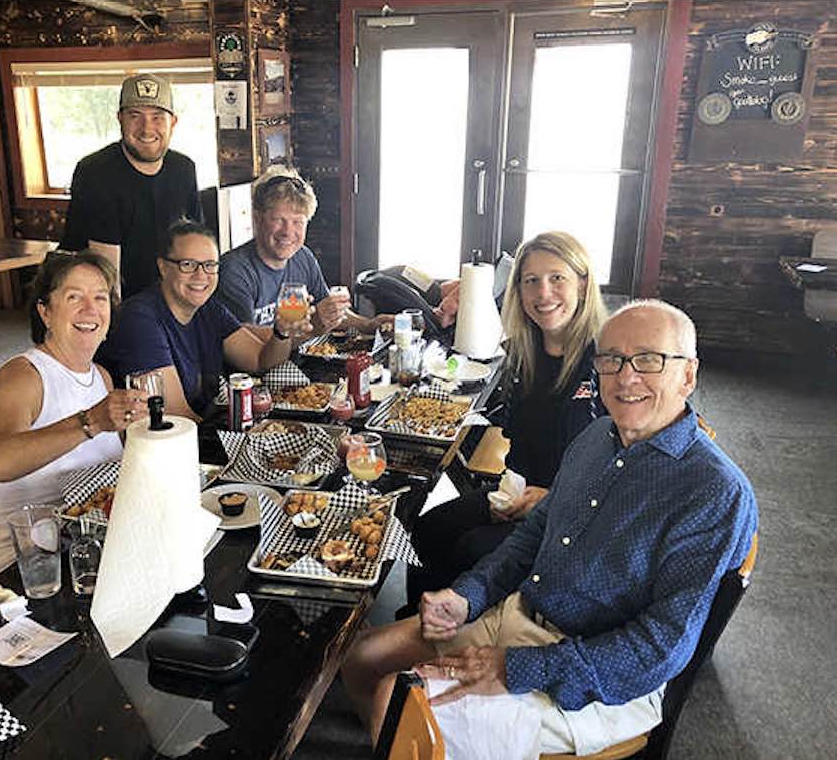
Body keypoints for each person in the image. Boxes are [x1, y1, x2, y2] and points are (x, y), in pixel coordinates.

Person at [341, 300, 758, 756]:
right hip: (521, 614)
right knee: (363, 659)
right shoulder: (596, 438)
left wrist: (517, 669)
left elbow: (658, 649)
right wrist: (469, 596)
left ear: (688, 375)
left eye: (649, 359)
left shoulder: (715, 491)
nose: (626, 377)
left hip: (598, 676)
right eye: (611, 360)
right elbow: (534, 534)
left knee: (397, 702)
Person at [407, 232, 607, 606]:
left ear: (582, 282)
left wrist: (550, 500)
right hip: (518, 492)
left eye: (557, 278)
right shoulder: (525, 352)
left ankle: (457, 630)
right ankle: (416, 623)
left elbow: (622, 468)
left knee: (471, 549)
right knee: (425, 529)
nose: (543, 293)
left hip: (576, 515)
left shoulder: (605, 362)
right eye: (531, 281)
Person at [0, 253, 147, 589]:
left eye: (100, 298)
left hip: (76, 538)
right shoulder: (23, 376)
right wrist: (90, 422)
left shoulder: (101, 376)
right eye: (74, 297)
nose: (90, 310)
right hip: (15, 558)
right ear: (45, 312)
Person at [97, 220, 305, 421]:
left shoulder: (208, 308)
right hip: (159, 444)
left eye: (209, 265)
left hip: (200, 428)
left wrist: (281, 332)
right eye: (187, 265)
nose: (201, 275)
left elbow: (259, 361)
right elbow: (177, 414)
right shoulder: (139, 320)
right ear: (163, 267)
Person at [60, 73, 202, 300]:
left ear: (173, 122)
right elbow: (107, 275)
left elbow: (194, 243)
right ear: (120, 119)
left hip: (170, 296)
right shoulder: (96, 172)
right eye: (135, 116)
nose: (147, 129)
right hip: (109, 298)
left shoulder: (184, 168)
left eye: (157, 117)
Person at [215, 167, 391, 339]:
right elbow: (246, 342)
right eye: (278, 220)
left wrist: (368, 325)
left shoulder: (303, 257)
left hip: (298, 360)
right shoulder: (234, 270)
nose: (287, 232)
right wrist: (312, 326)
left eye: (298, 222)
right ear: (257, 219)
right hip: (253, 369)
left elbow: (326, 311)